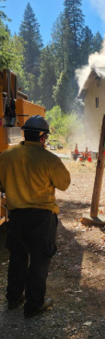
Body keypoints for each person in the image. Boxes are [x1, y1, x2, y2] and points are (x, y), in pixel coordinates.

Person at [0, 116, 71, 318]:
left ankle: (13, 298)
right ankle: (33, 305)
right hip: (42, 217)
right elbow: (64, 184)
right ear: (42, 137)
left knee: (17, 257)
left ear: (25, 134)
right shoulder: (49, 159)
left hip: (16, 216)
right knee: (40, 260)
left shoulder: (6, 156)